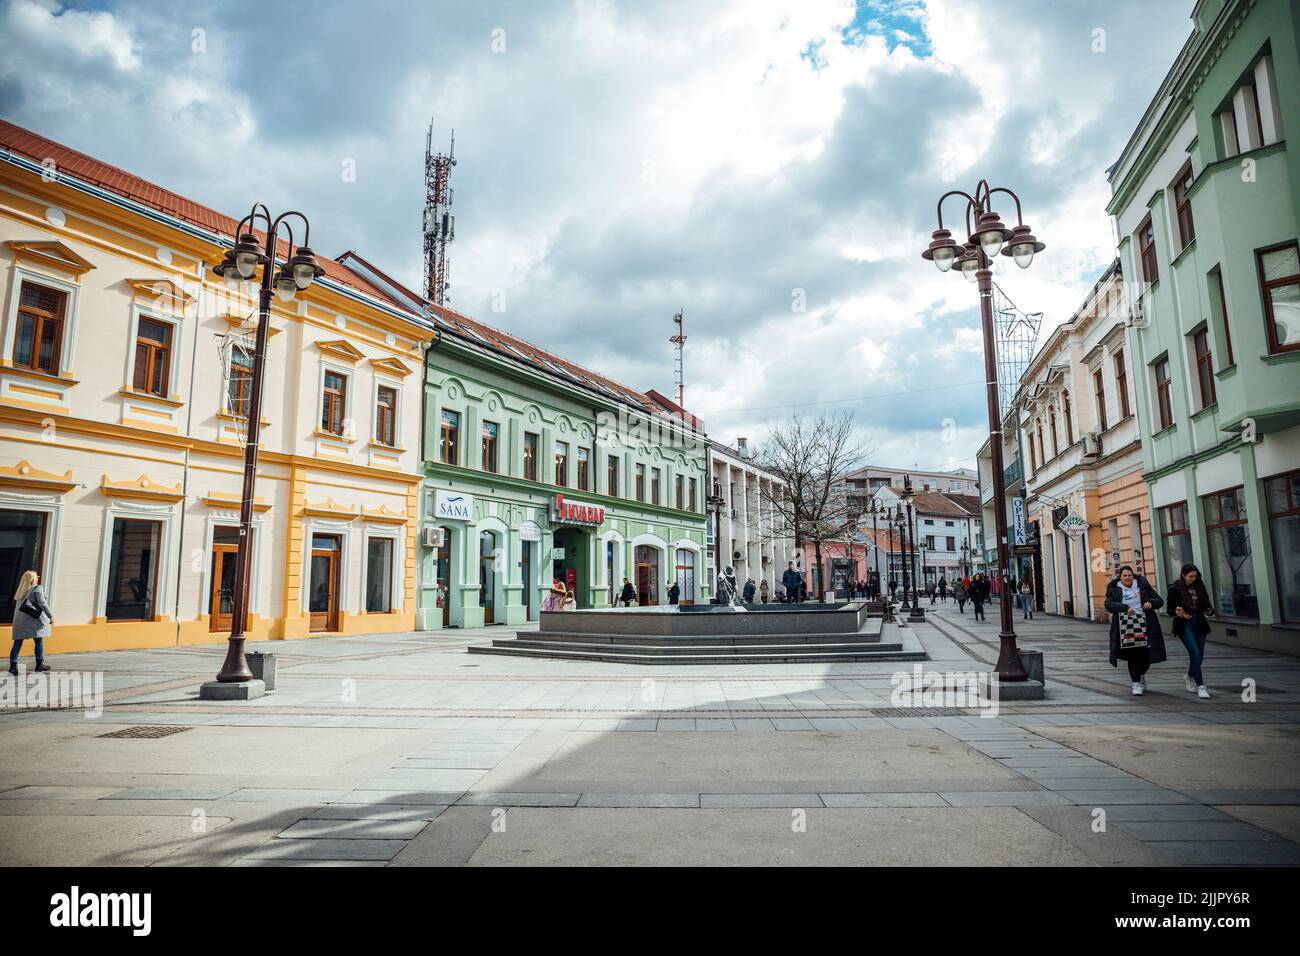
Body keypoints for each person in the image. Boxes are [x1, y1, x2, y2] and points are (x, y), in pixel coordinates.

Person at [1105, 564, 1165, 696]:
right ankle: (1136, 682)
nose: (1127, 578)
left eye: (1129, 575)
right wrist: (1125, 608)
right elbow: (1108, 604)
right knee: (1134, 654)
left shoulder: (1142, 584)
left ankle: (1141, 674)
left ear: (1133, 576)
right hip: (1126, 624)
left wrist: (1151, 602)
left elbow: (1159, 600)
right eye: (1124, 576)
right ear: (1120, 577)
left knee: (1147, 654)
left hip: (1146, 623)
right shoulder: (1114, 588)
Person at [1166, 562, 1214, 698]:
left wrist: (1209, 611)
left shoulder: (1199, 586)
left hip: (1200, 623)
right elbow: (1169, 609)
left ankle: (1189, 676)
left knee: (1200, 656)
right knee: (1195, 654)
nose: (1193, 579)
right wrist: (1176, 611)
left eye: (1195, 576)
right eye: (1190, 576)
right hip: (1184, 624)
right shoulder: (1174, 588)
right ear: (1183, 575)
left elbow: (1207, 604)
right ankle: (1201, 686)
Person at [9, 570, 52, 675]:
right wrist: (51, 615)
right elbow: (43, 603)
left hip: (20, 622)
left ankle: (13, 667)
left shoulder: (21, 591)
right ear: (33, 579)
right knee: (38, 641)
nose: (38, 577)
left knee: (17, 643)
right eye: (36, 576)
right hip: (33, 621)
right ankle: (39, 665)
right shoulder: (37, 589)